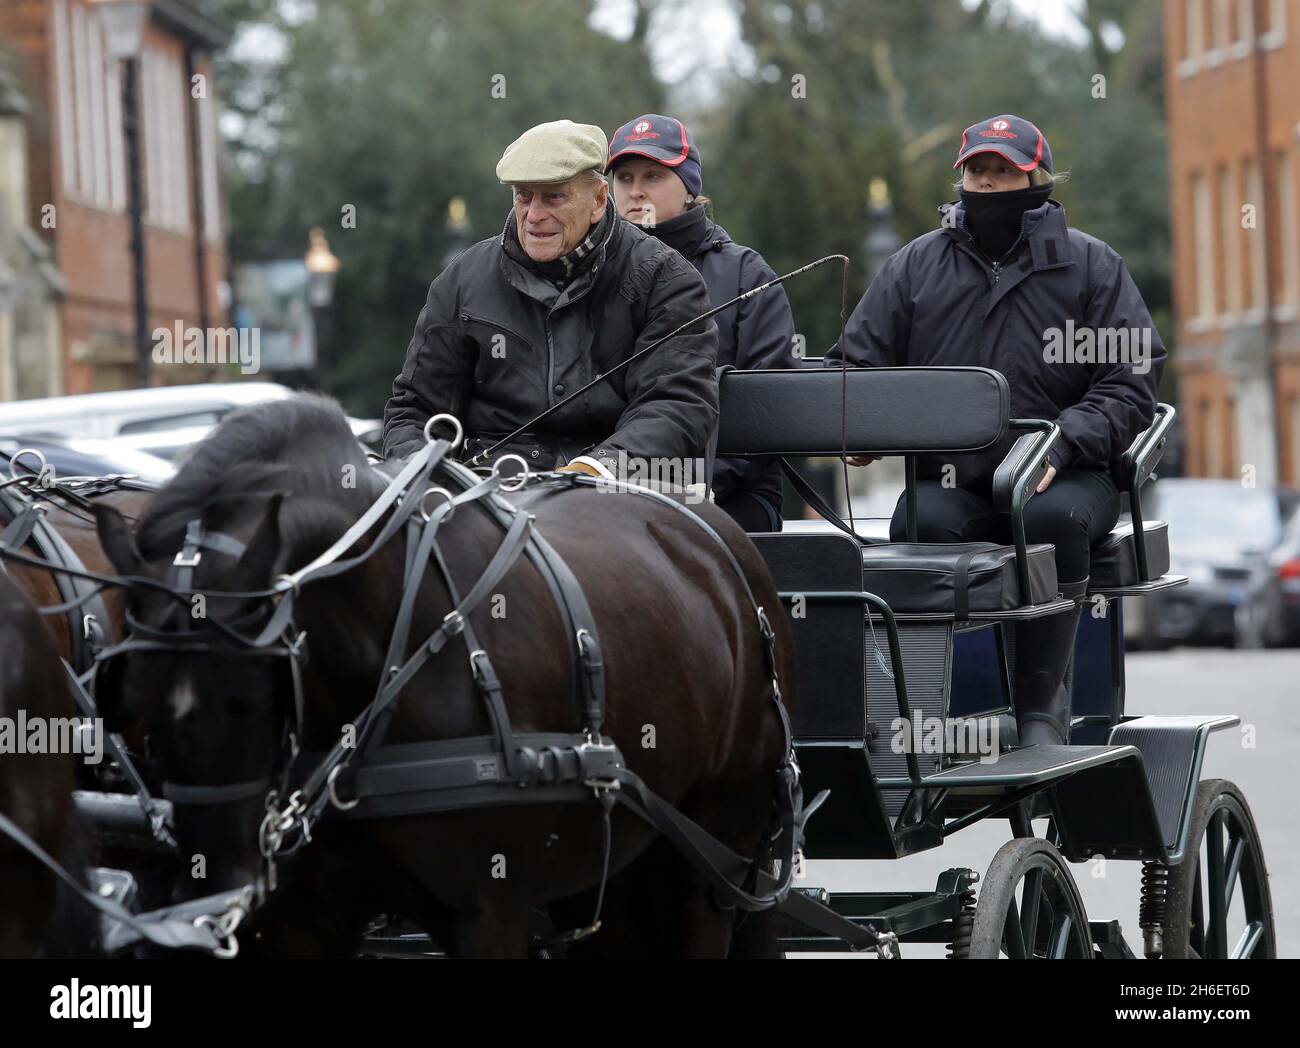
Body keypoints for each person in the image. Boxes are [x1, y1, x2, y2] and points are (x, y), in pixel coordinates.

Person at [827, 114, 1166, 746]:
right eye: (977, 171)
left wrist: (1063, 442)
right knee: (920, 520)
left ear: (1037, 177)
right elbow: (855, 366)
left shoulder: (1091, 266)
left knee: (1048, 522)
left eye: (1003, 171)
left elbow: (1132, 381)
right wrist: (861, 428)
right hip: (956, 477)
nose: (987, 184)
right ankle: (923, 714)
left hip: (1067, 477)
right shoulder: (914, 267)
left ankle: (1042, 709)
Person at [384, 119, 719, 479]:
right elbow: (414, 410)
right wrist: (423, 474)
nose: (534, 215)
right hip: (490, 497)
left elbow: (676, 404)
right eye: (523, 197)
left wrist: (595, 469)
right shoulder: (463, 280)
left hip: (621, 496)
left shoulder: (666, 279)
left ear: (598, 200)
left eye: (554, 196)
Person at [607, 114, 795, 532]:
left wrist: (690, 481)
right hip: (612, 485)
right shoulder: (593, 277)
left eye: (654, 176)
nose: (636, 191)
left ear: (691, 187)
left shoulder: (747, 274)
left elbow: (770, 402)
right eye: (624, 177)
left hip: (731, 492)